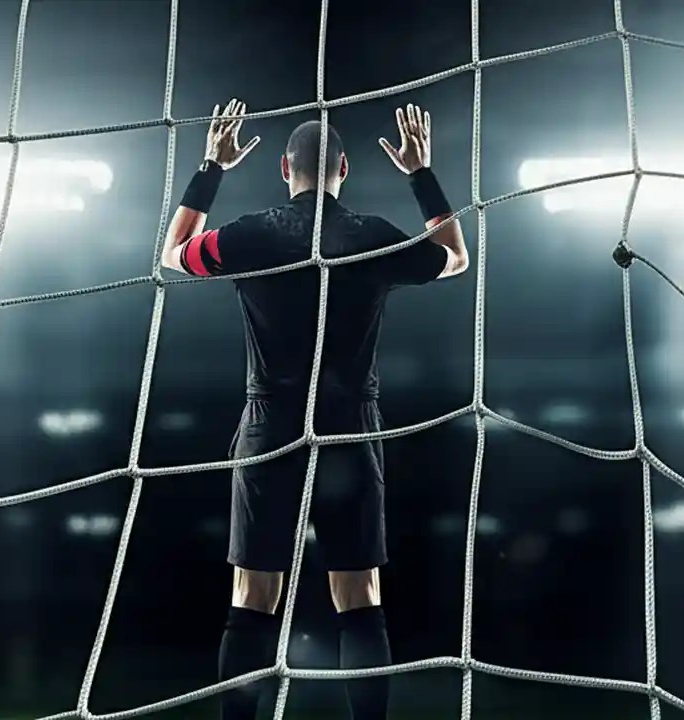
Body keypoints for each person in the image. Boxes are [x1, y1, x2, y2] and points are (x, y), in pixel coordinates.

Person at [160, 98, 468, 720]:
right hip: (349, 431)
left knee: (252, 594)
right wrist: (421, 174)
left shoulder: (250, 234)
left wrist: (211, 167)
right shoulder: (371, 236)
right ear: (345, 170)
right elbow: (456, 257)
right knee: (359, 596)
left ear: (283, 168)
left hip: (270, 427)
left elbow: (173, 252)